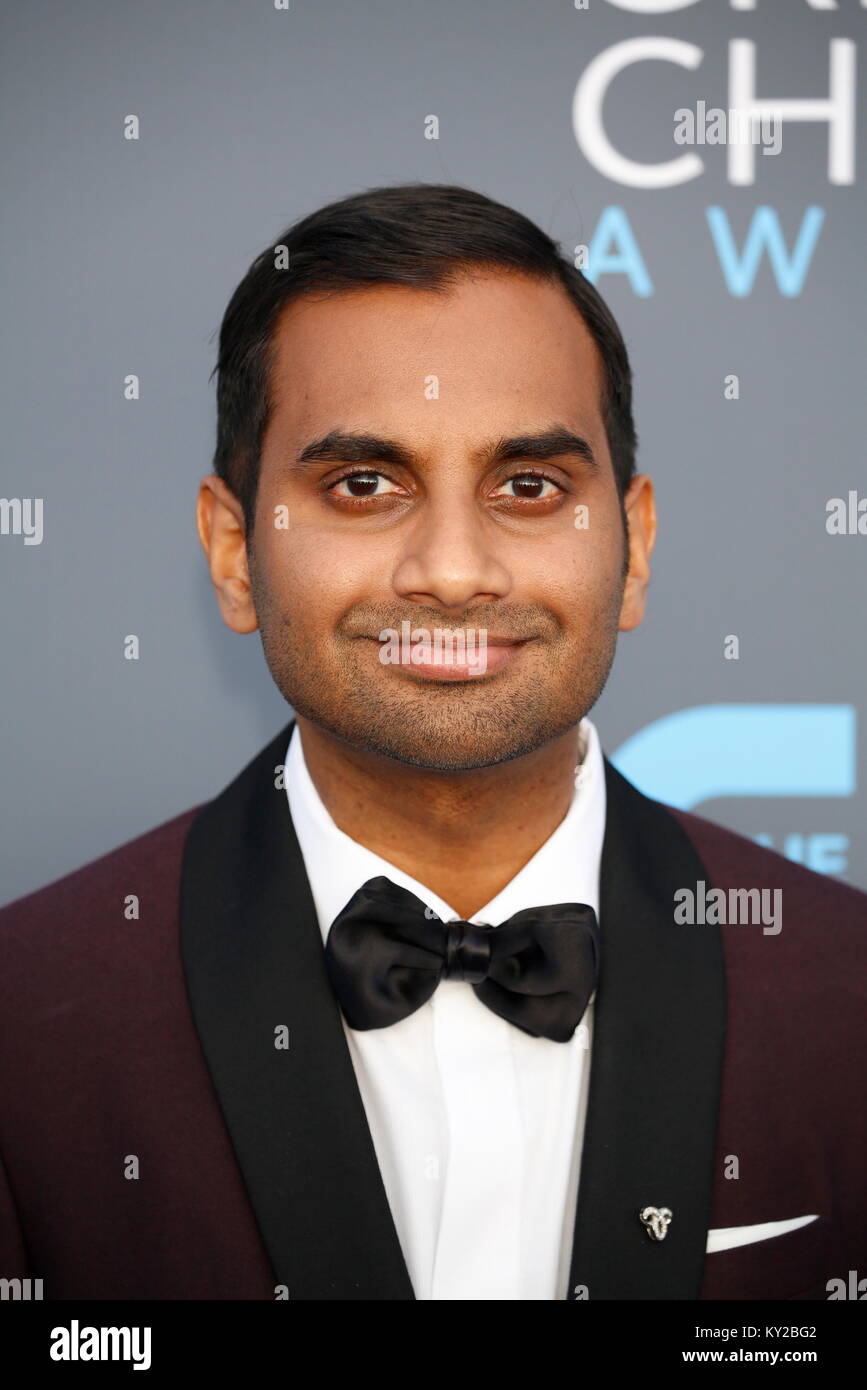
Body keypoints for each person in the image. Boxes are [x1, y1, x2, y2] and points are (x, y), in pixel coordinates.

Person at [1, 183, 864, 1302]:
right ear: (230, 550)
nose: (453, 570)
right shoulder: (27, 1028)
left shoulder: (848, 1000)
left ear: (634, 545)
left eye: (528, 485)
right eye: (364, 484)